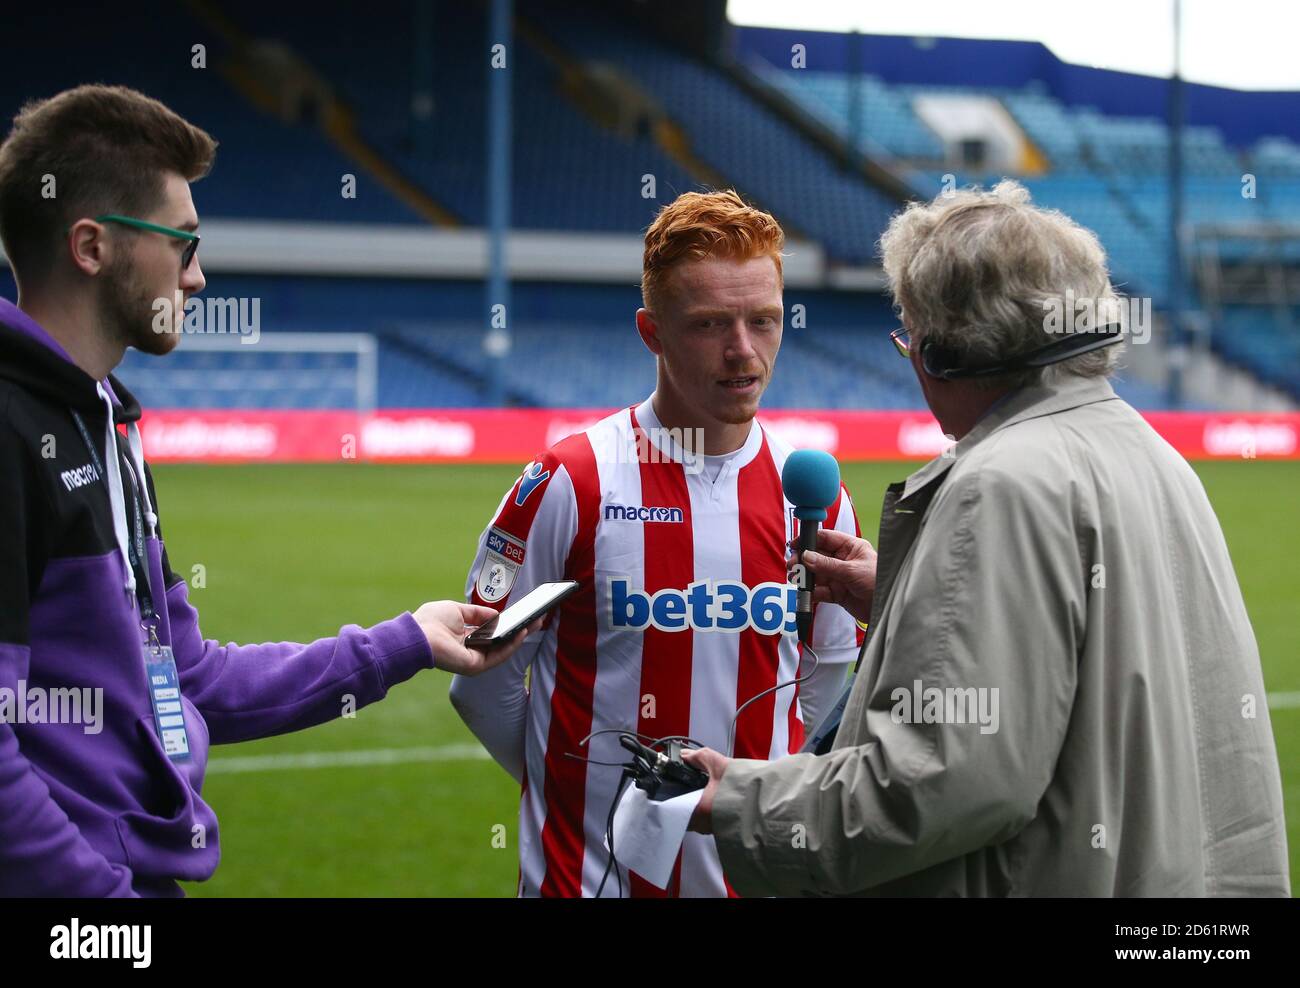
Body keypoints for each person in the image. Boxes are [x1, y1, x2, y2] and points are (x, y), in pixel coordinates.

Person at [682, 181, 1291, 897]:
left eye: (910, 335)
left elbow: (945, 783)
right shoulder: (1154, 456)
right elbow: (1085, 657)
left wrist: (738, 800)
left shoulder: (999, 483)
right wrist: (910, 600)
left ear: (945, 353)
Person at [0, 84, 533, 897]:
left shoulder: (105, 422)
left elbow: (192, 679)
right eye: (183, 245)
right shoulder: (9, 430)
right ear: (91, 246)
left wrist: (407, 641)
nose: (200, 278)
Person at [450, 190, 864, 897]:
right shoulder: (569, 481)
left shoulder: (815, 499)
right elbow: (480, 681)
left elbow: (826, 672)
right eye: (709, 325)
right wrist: (569, 784)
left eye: (763, 321)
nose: (743, 350)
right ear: (652, 332)